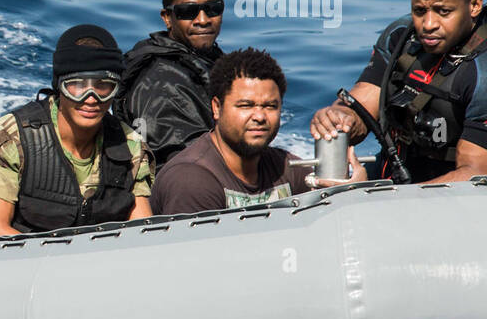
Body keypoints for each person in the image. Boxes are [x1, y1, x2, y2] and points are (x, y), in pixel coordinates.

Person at [310, 0, 487, 184]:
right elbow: (362, 105)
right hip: (392, 179)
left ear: (474, 5)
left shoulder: (485, 70)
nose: (428, 24)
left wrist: (380, 198)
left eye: (443, 11)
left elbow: (475, 177)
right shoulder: (401, 37)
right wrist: (340, 118)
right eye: (419, 10)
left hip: (453, 198)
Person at [0, 24, 154, 235]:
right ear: (59, 86)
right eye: (77, 85)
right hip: (25, 263)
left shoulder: (130, 146)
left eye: (103, 86)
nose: (91, 99)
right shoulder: (14, 137)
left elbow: (142, 233)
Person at [151, 48, 362, 214]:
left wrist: (352, 193)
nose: (259, 117)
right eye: (245, 105)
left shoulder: (287, 169)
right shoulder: (191, 180)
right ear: (216, 108)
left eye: (270, 106)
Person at [116, 0, 226, 165]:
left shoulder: (207, 58)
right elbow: (187, 168)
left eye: (213, 9)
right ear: (167, 17)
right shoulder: (164, 85)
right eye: (188, 11)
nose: (203, 20)